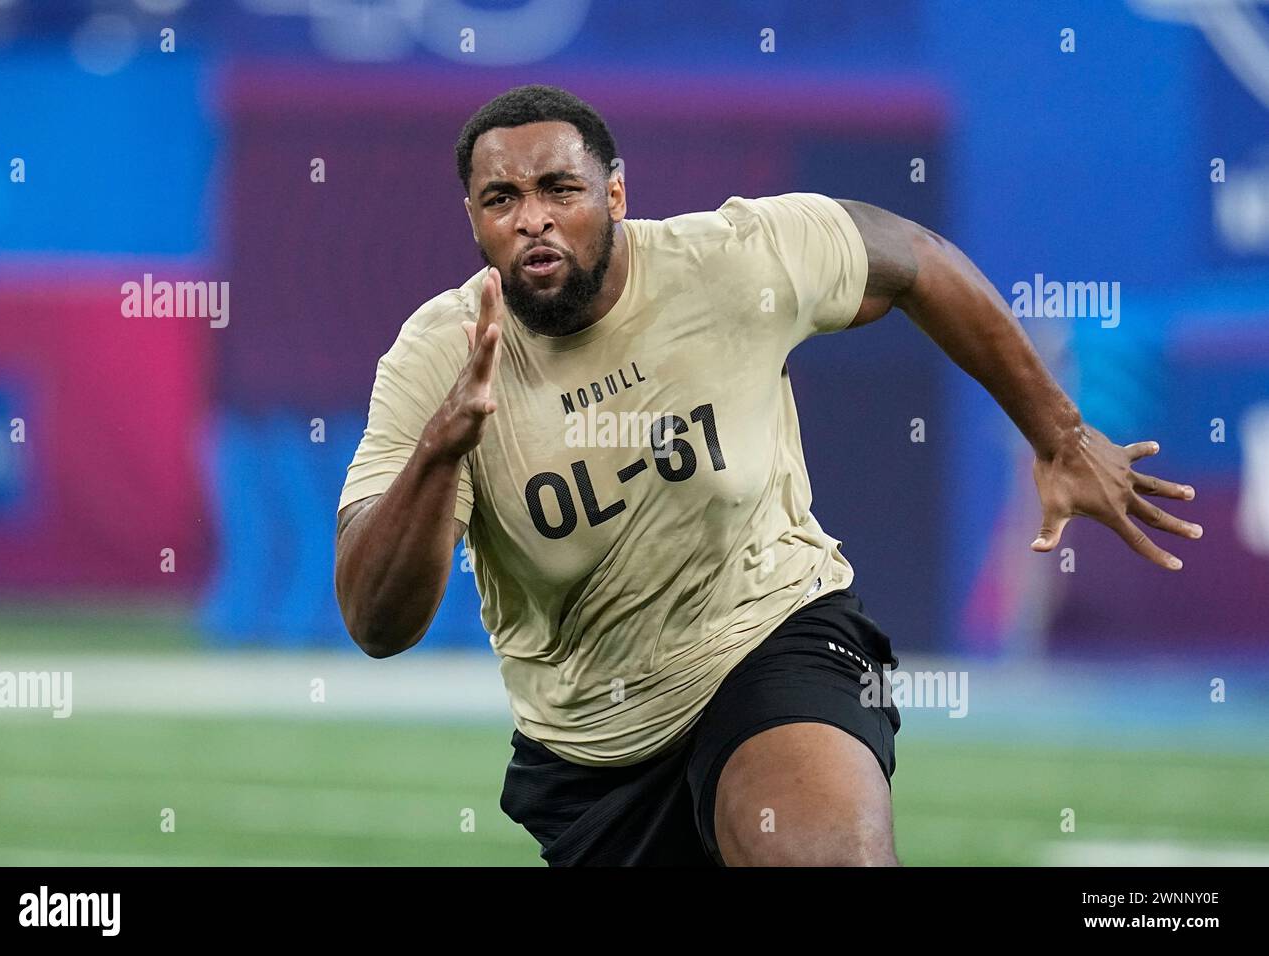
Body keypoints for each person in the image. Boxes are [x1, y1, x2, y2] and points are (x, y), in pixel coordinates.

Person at [333, 84, 1201, 866]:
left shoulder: (732, 260)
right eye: (502, 200)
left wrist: (1059, 433)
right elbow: (376, 624)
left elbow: (916, 259)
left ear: (616, 195)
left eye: (561, 189)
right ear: (474, 221)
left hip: (772, 636)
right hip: (592, 746)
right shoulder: (437, 357)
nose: (534, 218)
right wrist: (438, 454)